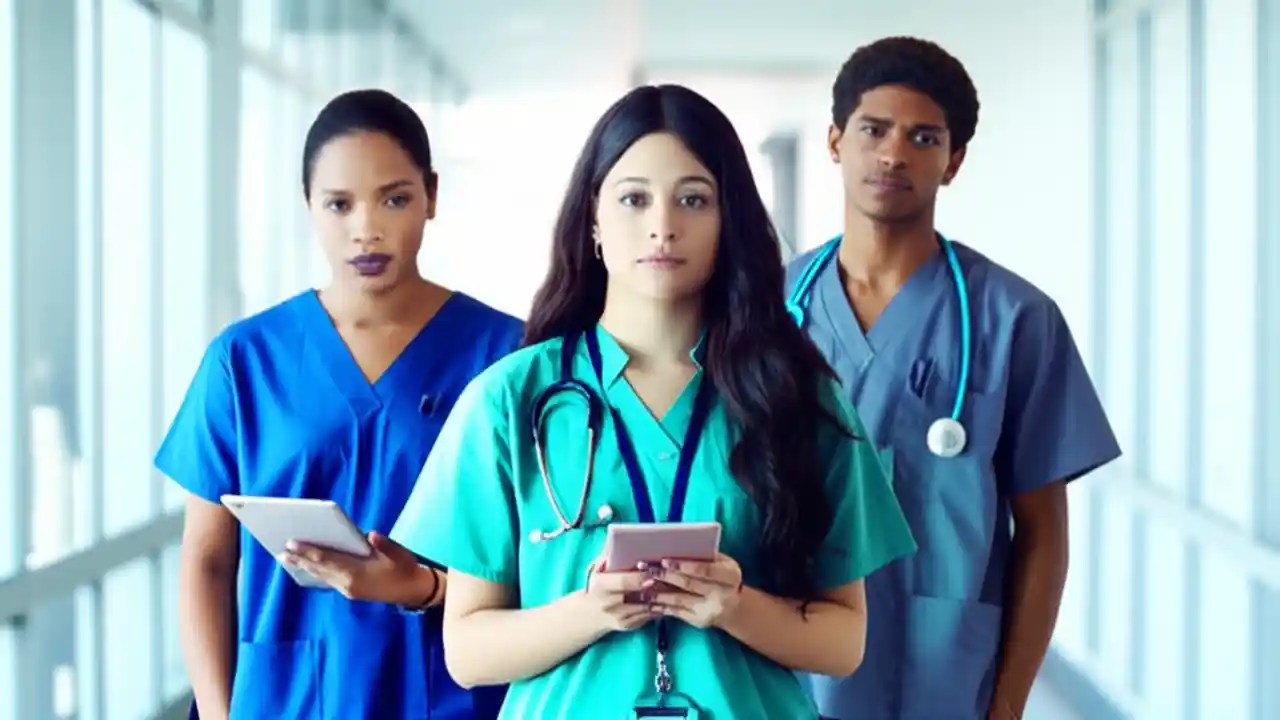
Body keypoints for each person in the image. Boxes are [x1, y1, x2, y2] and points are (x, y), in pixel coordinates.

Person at [387, 84, 918, 720]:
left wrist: (735, 606)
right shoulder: (510, 401)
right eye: (634, 198)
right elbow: (468, 651)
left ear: (728, 221)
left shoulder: (797, 398)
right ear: (593, 219)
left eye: (693, 199)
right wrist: (588, 613)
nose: (663, 225)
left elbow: (844, 640)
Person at [155, 88, 520, 720]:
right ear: (309, 207)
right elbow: (208, 561)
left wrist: (428, 589)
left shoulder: (508, 355)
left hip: (454, 697)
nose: (367, 229)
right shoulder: (245, 360)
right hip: (287, 698)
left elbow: (537, 561)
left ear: (432, 196)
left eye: (395, 198)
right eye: (339, 204)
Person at [786, 37, 1122, 720]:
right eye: (873, 130)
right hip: (787, 671)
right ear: (834, 141)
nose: (893, 153)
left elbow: (1043, 534)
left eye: (923, 137)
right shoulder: (768, 309)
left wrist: (1007, 707)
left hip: (940, 679)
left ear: (954, 161)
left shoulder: (1014, 320)